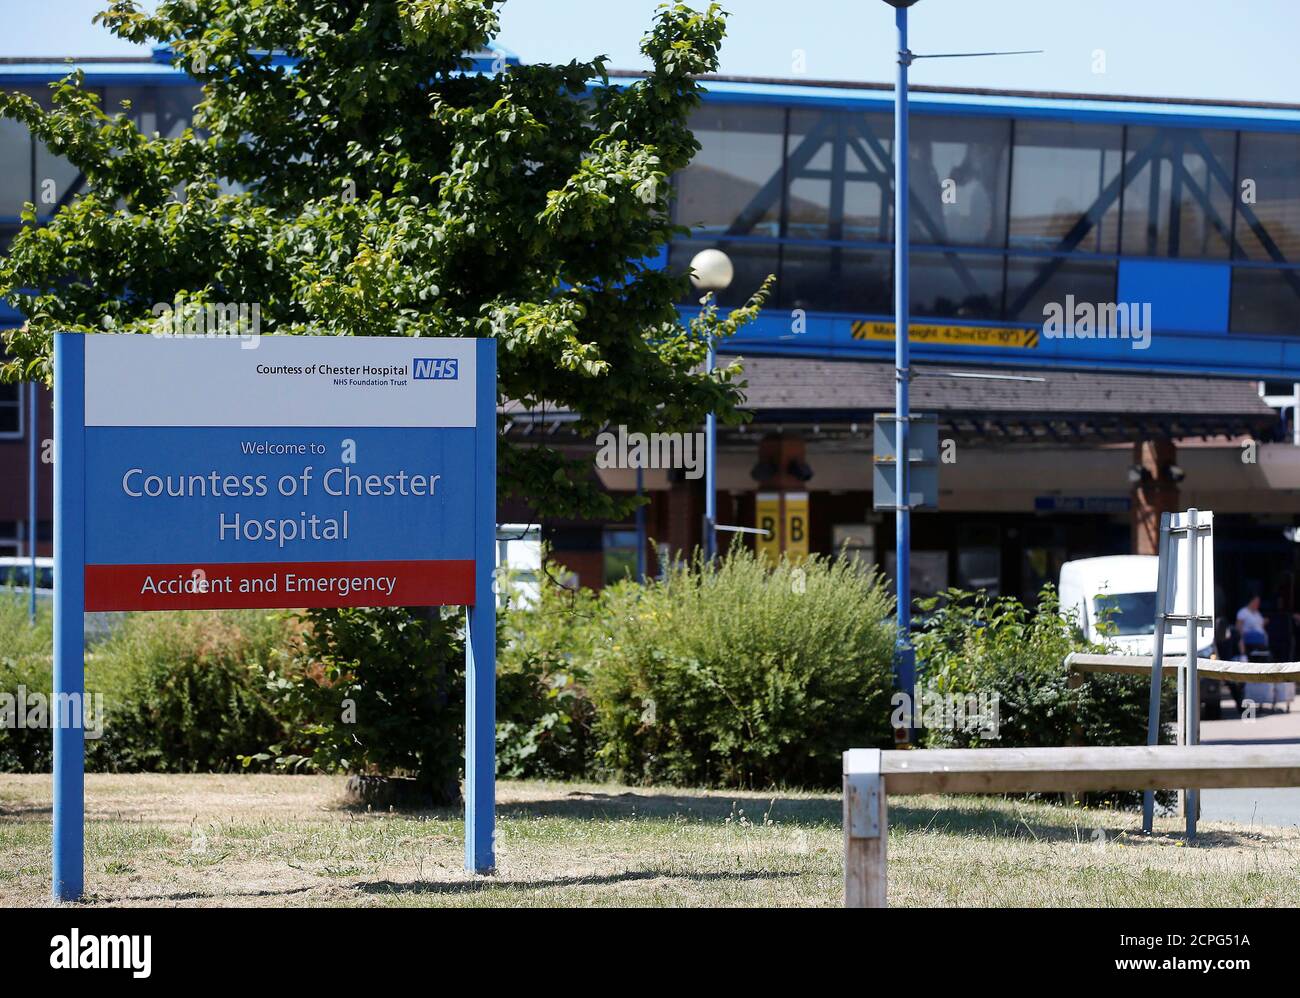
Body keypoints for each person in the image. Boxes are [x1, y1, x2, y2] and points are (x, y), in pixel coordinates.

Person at [1236, 594, 1270, 659]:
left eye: (1258, 602)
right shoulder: (1243, 612)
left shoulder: (1257, 613)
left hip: (1262, 641)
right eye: (1256, 602)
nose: (1258, 604)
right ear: (1251, 601)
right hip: (1250, 639)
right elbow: (1238, 628)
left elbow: (1260, 626)